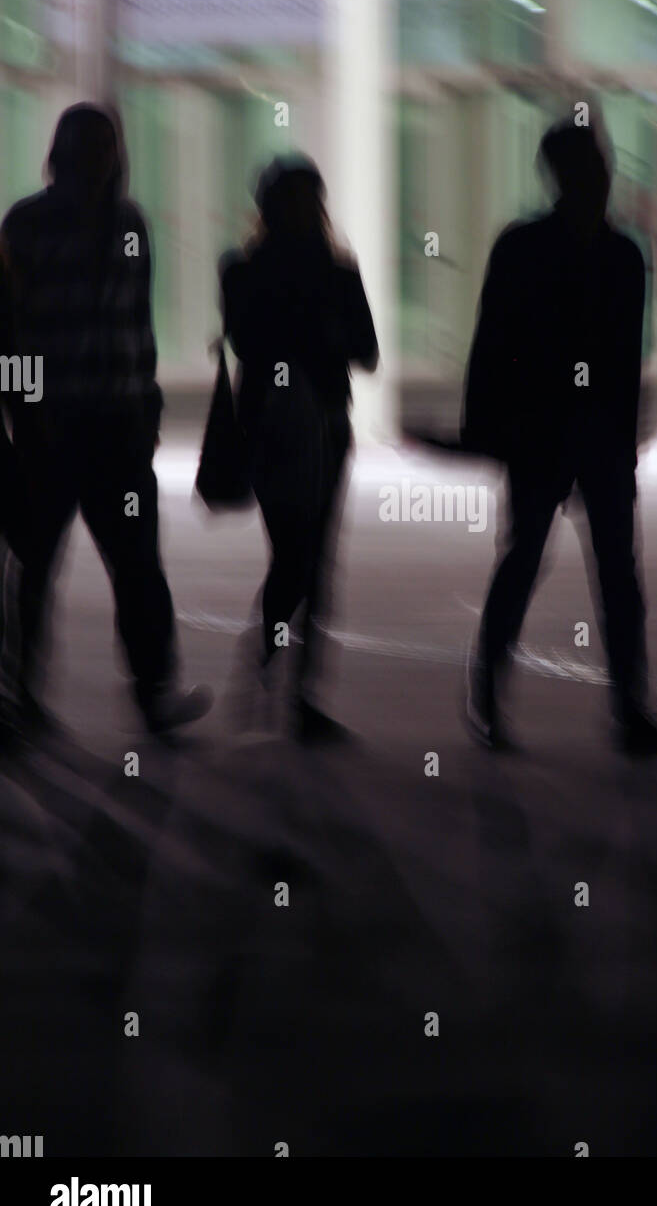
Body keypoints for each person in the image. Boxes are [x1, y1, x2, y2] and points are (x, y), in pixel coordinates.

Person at [462, 117, 657, 756]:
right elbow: (497, 343)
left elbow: (619, 357)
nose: (602, 174)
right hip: (553, 434)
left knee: (579, 568)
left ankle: (508, 698)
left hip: (572, 435)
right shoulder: (608, 254)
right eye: (592, 164)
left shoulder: (570, 250)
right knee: (554, 564)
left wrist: (626, 428)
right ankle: (512, 696)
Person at [0, 102, 212, 737]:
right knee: (34, 567)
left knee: (139, 565)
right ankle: (19, 697)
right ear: (63, 153)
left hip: (116, 428)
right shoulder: (26, 225)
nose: (98, 159)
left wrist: (145, 404)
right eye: (88, 147)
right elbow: (8, 333)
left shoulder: (130, 224)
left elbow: (137, 324)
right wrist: (27, 414)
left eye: (105, 146)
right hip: (53, 431)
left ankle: (153, 691)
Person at [220, 154, 378, 742]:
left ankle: (295, 686)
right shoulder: (247, 269)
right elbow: (249, 341)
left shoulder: (327, 270)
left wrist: (310, 325)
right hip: (274, 428)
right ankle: (276, 666)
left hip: (322, 426)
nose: (301, 212)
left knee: (312, 560)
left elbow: (366, 349)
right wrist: (317, 326)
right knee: (298, 556)